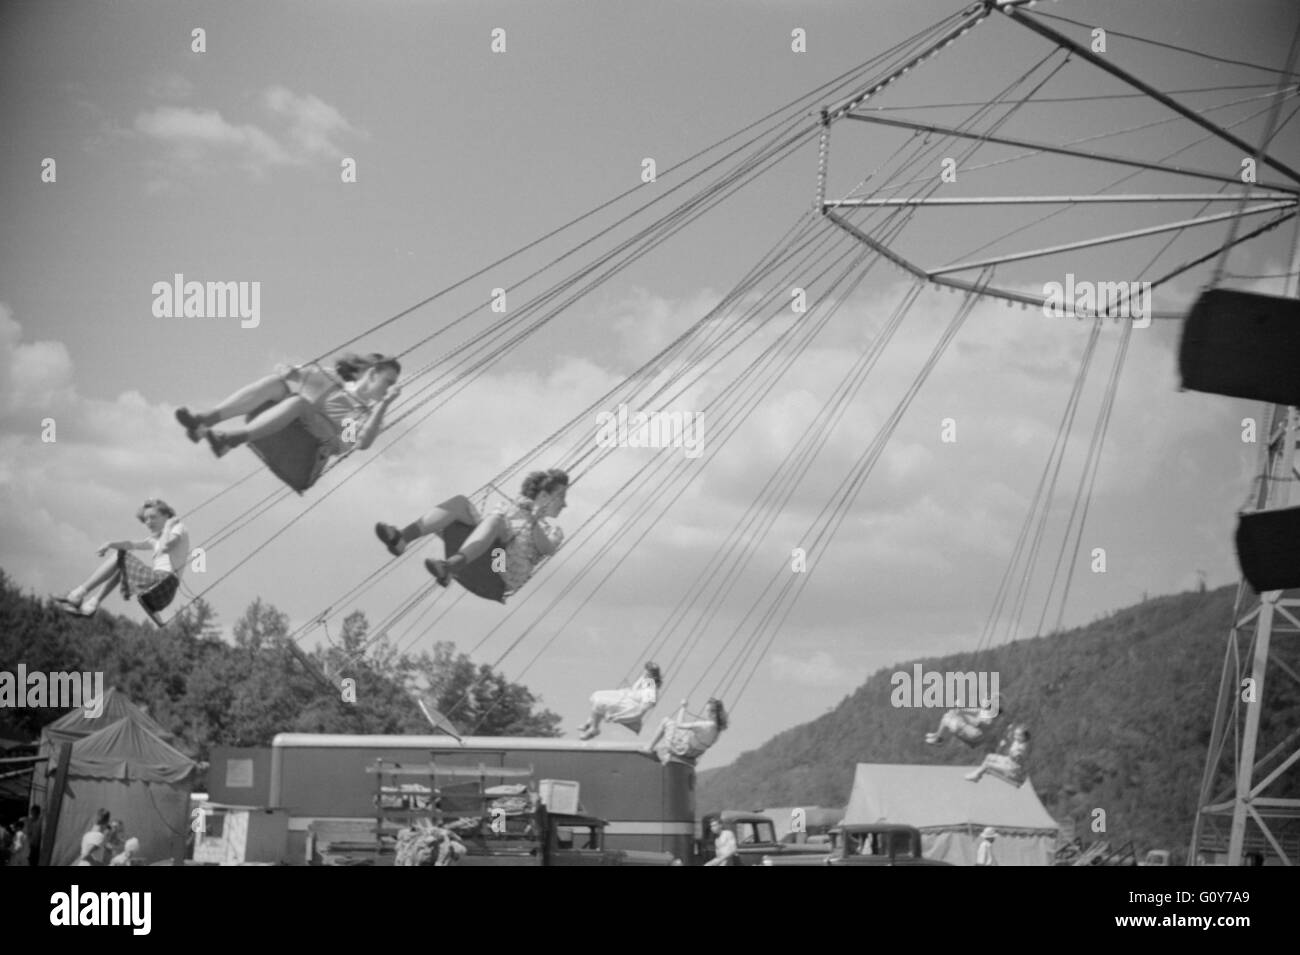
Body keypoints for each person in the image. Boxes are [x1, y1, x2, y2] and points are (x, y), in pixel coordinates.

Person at [374, 469, 569, 595]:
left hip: (499, 570)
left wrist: (532, 520)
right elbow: (484, 532)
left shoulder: (551, 530)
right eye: (561, 497)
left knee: (497, 522)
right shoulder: (510, 507)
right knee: (461, 504)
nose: (565, 504)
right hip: (482, 557)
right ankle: (402, 539)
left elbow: (548, 549)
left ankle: (451, 566)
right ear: (544, 496)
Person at [174, 352, 401, 460]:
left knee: (299, 403)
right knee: (276, 385)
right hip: (293, 422)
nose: (389, 388)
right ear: (372, 374)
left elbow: (353, 443)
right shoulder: (332, 381)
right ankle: (204, 422)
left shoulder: (363, 413)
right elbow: (292, 373)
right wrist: (286, 370)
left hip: (314, 447)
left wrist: (383, 405)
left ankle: (232, 439)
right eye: (388, 382)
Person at [54, 499, 190, 624]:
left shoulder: (177, 527)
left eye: (153, 517)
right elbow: (130, 544)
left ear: (166, 516)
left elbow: (166, 547)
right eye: (146, 519)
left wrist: (168, 526)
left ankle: (78, 594)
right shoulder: (156, 539)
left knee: (120, 556)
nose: (148, 522)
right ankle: (92, 604)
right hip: (161, 595)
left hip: (163, 582)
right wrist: (110, 544)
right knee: (123, 565)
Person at [577, 663, 662, 739]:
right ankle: (591, 722)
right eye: (645, 671)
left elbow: (639, 712)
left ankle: (594, 729)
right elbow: (634, 690)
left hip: (629, 708)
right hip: (624, 699)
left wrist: (618, 717)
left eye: (647, 672)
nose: (644, 673)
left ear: (652, 675)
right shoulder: (645, 680)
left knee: (600, 702)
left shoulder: (650, 690)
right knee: (595, 696)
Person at [643, 698, 728, 765]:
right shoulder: (718, 730)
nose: (704, 713)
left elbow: (679, 724)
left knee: (666, 721)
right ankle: (667, 753)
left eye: (706, 711)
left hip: (683, 751)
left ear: (713, 713)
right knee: (684, 734)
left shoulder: (705, 725)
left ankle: (648, 748)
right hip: (693, 755)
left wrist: (683, 707)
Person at [966, 724, 1030, 785]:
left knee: (988, 764)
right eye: (1015, 734)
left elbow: (1016, 757)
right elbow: (1011, 741)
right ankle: (978, 775)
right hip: (1008, 761)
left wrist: (1004, 748)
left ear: (1025, 737)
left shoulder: (1022, 748)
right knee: (989, 756)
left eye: (1019, 735)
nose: (1016, 736)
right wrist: (1009, 733)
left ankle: (976, 775)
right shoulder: (1018, 741)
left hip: (1012, 769)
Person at [925, 698, 999, 746]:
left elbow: (976, 722)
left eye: (986, 702)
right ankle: (938, 735)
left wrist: (961, 710)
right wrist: (959, 708)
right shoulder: (982, 711)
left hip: (972, 735)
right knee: (949, 714)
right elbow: (969, 712)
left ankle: (938, 738)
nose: (983, 702)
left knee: (948, 719)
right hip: (967, 729)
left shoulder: (987, 716)